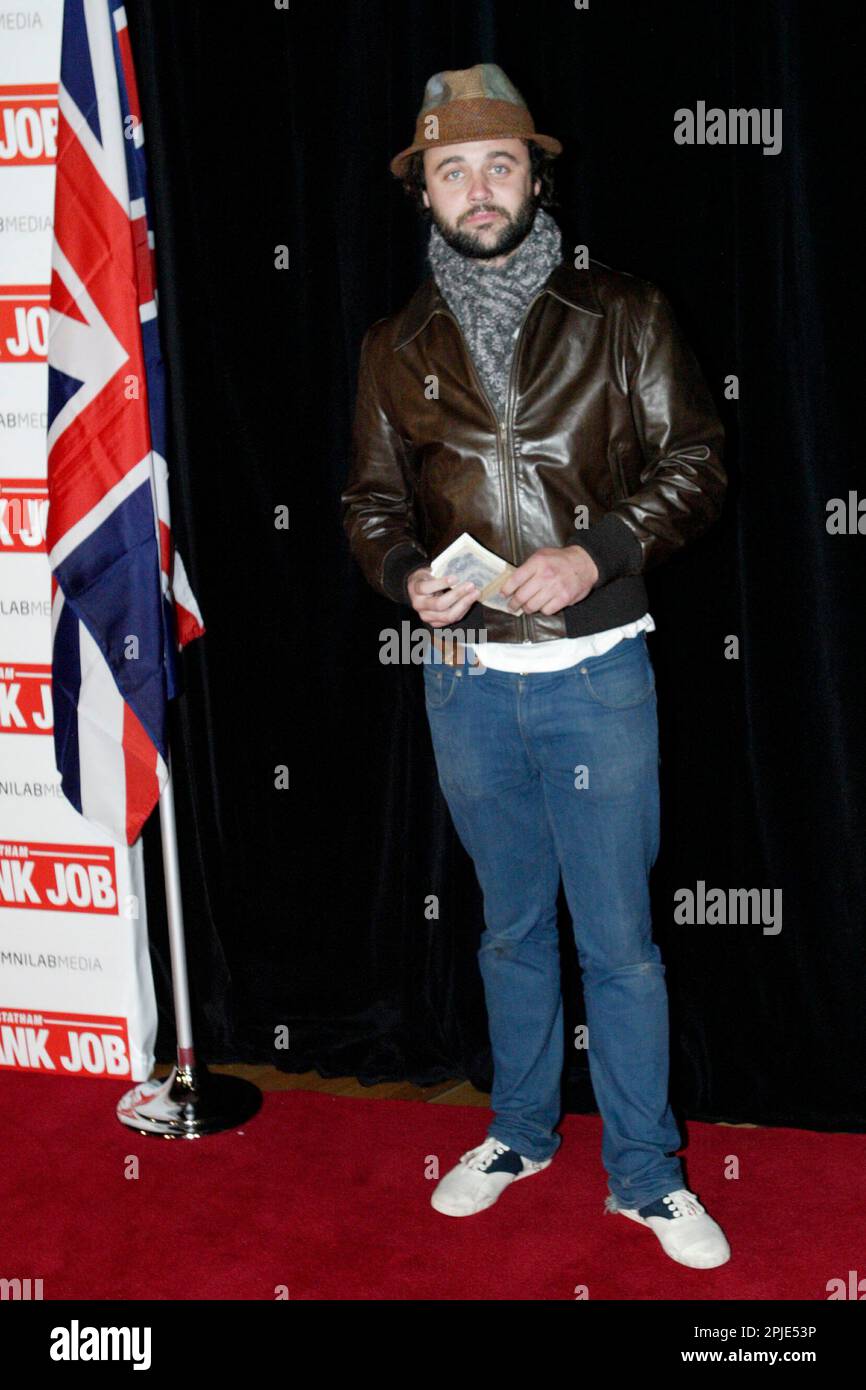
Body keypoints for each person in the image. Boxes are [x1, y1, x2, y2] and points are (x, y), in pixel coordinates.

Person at [341, 63, 730, 1269]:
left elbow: (696, 462)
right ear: (426, 193)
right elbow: (365, 504)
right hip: (463, 681)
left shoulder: (622, 310)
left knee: (616, 939)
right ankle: (516, 1132)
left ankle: (646, 1175)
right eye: (450, 169)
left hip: (595, 672)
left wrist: (599, 549)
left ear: (531, 175)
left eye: (496, 163)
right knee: (509, 931)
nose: (476, 187)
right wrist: (405, 573)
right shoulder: (392, 343)